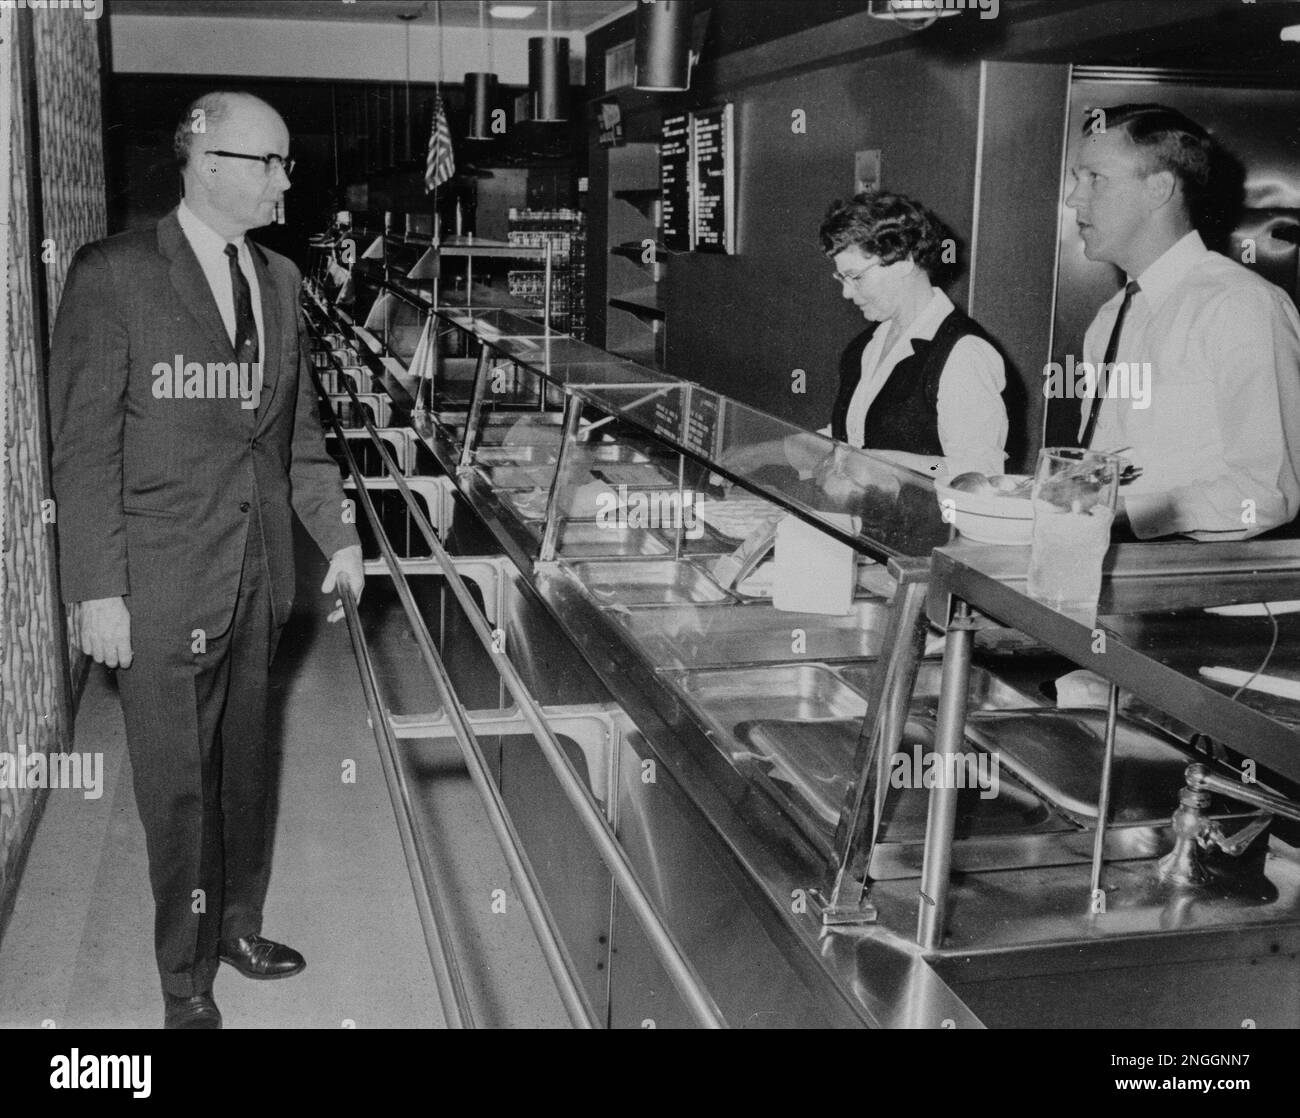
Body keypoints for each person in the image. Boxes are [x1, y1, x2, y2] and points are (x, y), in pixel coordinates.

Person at [47, 91, 364, 1029]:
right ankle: (184, 985)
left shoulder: (275, 277)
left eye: (285, 163)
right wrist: (95, 589)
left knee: (244, 772)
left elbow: (294, 435)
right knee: (179, 792)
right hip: (158, 580)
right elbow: (82, 447)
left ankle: (237, 925)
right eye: (269, 162)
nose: (283, 180)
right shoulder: (114, 274)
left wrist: (337, 534)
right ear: (208, 163)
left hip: (260, 575)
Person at [1062, 102, 1300, 539]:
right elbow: (1109, 466)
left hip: (1217, 596)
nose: (1074, 198)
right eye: (1078, 179)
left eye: (1094, 178)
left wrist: (1125, 513)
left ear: (1160, 189)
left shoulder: (1239, 305)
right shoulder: (1111, 317)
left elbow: (1265, 493)